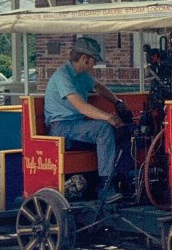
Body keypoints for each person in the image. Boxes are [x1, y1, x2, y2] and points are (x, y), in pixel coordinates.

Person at [44, 36, 130, 194]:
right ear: (84, 58)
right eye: (94, 60)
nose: (95, 64)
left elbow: (98, 87)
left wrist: (117, 101)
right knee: (103, 129)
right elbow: (81, 107)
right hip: (61, 128)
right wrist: (109, 117)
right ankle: (105, 186)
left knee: (123, 131)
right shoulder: (62, 76)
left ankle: (121, 179)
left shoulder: (82, 75)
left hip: (76, 126)